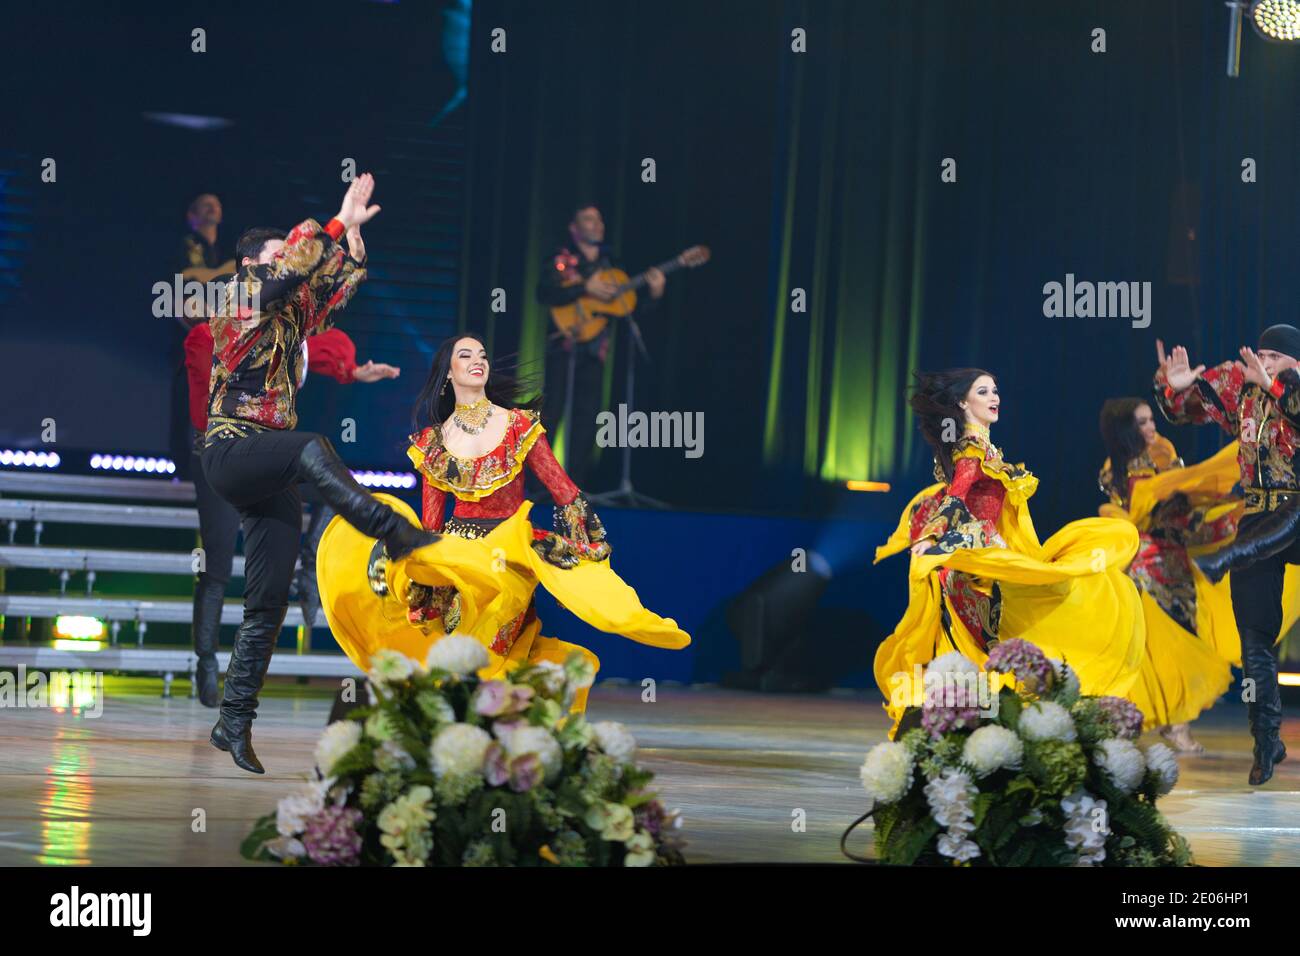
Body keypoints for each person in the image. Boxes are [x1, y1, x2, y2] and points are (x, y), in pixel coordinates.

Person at [315, 333, 690, 713]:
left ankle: (488, 720)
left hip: (509, 553)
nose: (478, 360)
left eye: (482, 355)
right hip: (461, 559)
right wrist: (420, 572)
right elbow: (431, 522)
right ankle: (493, 723)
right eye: (466, 355)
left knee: (492, 641)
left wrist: (583, 548)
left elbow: (564, 490)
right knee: (468, 652)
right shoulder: (433, 443)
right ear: (448, 373)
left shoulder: (518, 426)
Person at [201, 173, 437, 773]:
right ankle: (389, 528)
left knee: (268, 599)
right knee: (313, 447)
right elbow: (293, 270)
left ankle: (232, 721)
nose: (288, 258)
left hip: (267, 462)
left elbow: (325, 293)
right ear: (251, 262)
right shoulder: (238, 296)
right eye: (278, 253)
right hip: (233, 449)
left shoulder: (282, 312)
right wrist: (331, 221)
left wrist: (351, 242)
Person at [182, 246, 399, 706]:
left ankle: (306, 565)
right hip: (222, 451)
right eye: (277, 255)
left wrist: (353, 371)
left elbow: (321, 339)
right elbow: (208, 402)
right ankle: (205, 662)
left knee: (329, 471)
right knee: (218, 561)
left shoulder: (288, 328)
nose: (287, 262)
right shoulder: (216, 333)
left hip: (263, 452)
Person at [873, 368, 1145, 733]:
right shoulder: (971, 448)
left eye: (995, 390)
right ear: (962, 402)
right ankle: (993, 727)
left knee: (1000, 644)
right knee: (1053, 607)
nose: (994, 397)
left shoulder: (978, 446)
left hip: (982, 561)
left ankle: (979, 727)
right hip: (980, 566)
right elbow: (955, 497)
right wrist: (933, 536)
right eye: (983, 391)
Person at [1153, 329, 1300, 783]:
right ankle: (1266, 739)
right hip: (1258, 513)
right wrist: (1173, 390)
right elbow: (1186, 410)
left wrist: (1278, 385)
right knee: (1255, 636)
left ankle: (1225, 558)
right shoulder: (1241, 386)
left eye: (1276, 356)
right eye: (1262, 354)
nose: (1266, 361)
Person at [1097, 397, 1242, 752]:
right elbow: (1171, 511)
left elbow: (1182, 503)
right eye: (1143, 423)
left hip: (1175, 561)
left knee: (1183, 639)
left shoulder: (1159, 457)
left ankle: (1173, 725)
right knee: (1155, 644)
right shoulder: (1125, 468)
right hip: (1148, 564)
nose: (1152, 428)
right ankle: (1152, 724)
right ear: (1126, 430)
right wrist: (1226, 516)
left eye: (1151, 421)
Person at [534, 204, 665, 487]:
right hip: (563, 347)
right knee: (551, 412)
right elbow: (545, 292)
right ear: (574, 227)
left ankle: (574, 487)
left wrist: (654, 295)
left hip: (596, 350)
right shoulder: (562, 258)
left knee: (587, 416)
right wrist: (584, 288)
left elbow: (628, 308)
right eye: (589, 219)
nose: (597, 224)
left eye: (600, 220)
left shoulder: (612, 264)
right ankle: (537, 485)